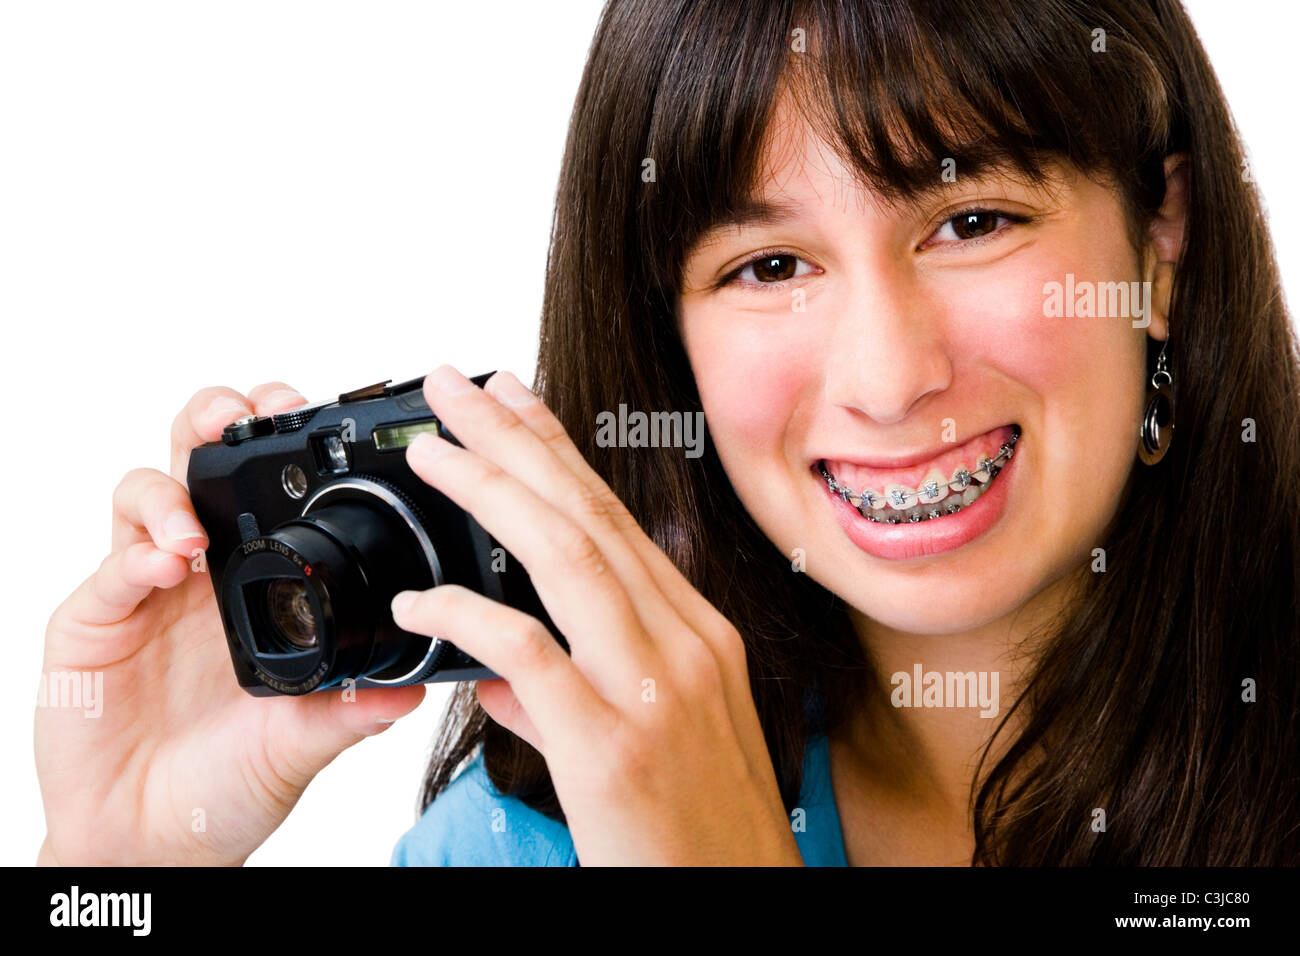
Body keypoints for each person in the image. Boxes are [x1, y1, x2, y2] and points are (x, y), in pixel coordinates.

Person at [38, 0, 1300, 867]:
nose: (886, 376)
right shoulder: (539, 829)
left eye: (970, 222)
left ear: (1159, 238)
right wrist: (121, 857)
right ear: (670, 343)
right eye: (767, 263)